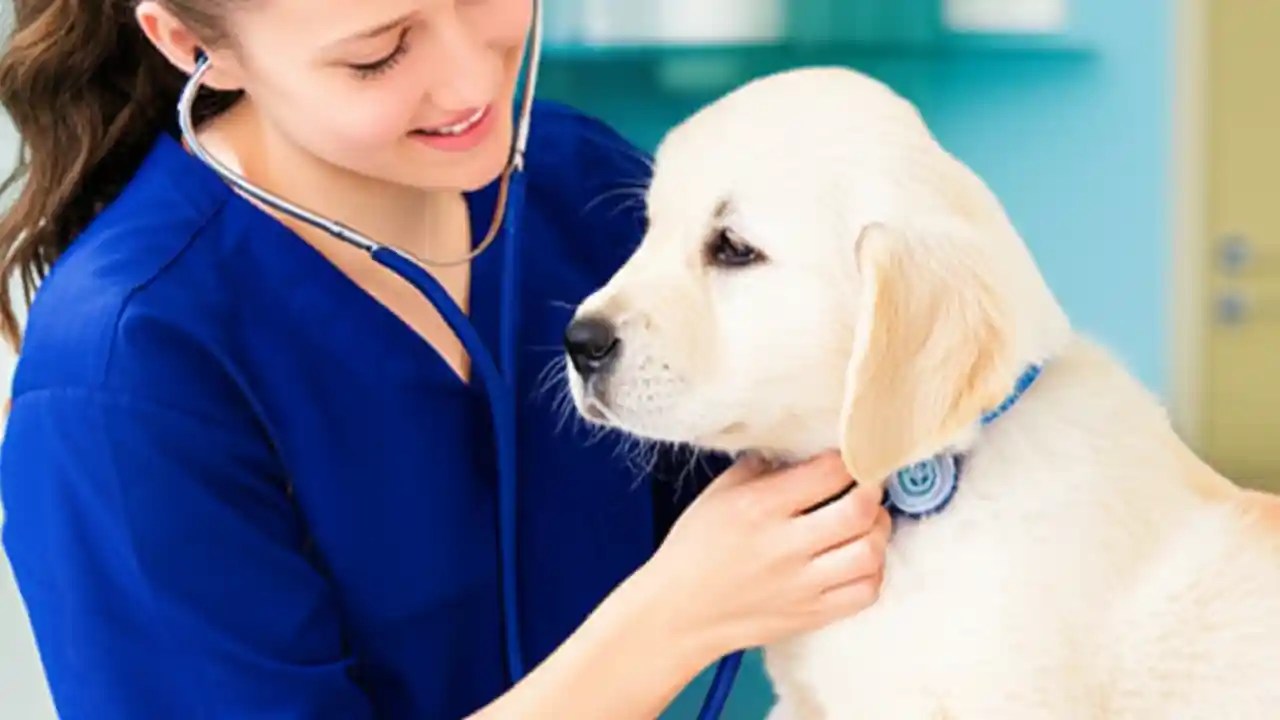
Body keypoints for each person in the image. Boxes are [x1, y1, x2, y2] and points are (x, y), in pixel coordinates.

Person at [0, 1, 893, 718]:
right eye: (379, 53)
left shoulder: (582, 192)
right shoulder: (124, 372)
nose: (472, 79)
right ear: (195, 44)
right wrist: (670, 623)